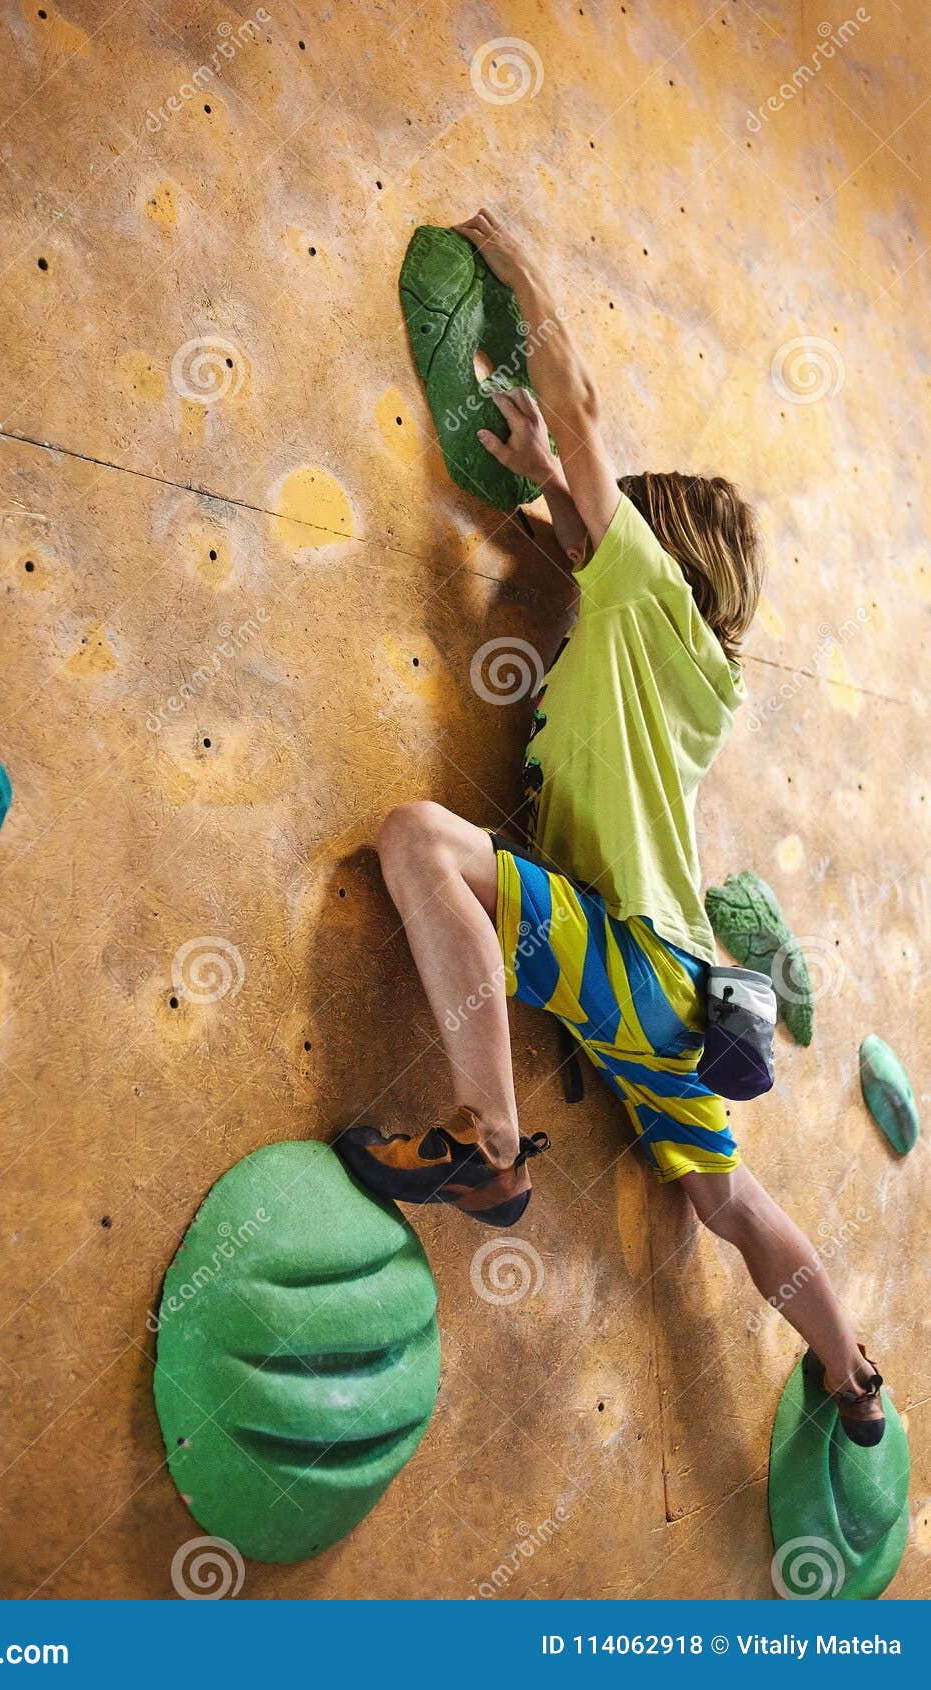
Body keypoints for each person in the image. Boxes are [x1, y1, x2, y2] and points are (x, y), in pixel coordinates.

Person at [337, 207, 885, 1447]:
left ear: (661, 554)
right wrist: (529, 487)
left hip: (635, 961)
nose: (597, 528)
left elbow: (578, 419)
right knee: (725, 1200)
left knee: (420, 841)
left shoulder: (647, 605)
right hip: (674, 1010)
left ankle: (488, 1145)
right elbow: (557, 530)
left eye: (619, 522)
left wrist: (519, 262)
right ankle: (857, 1380)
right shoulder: (675, 658)